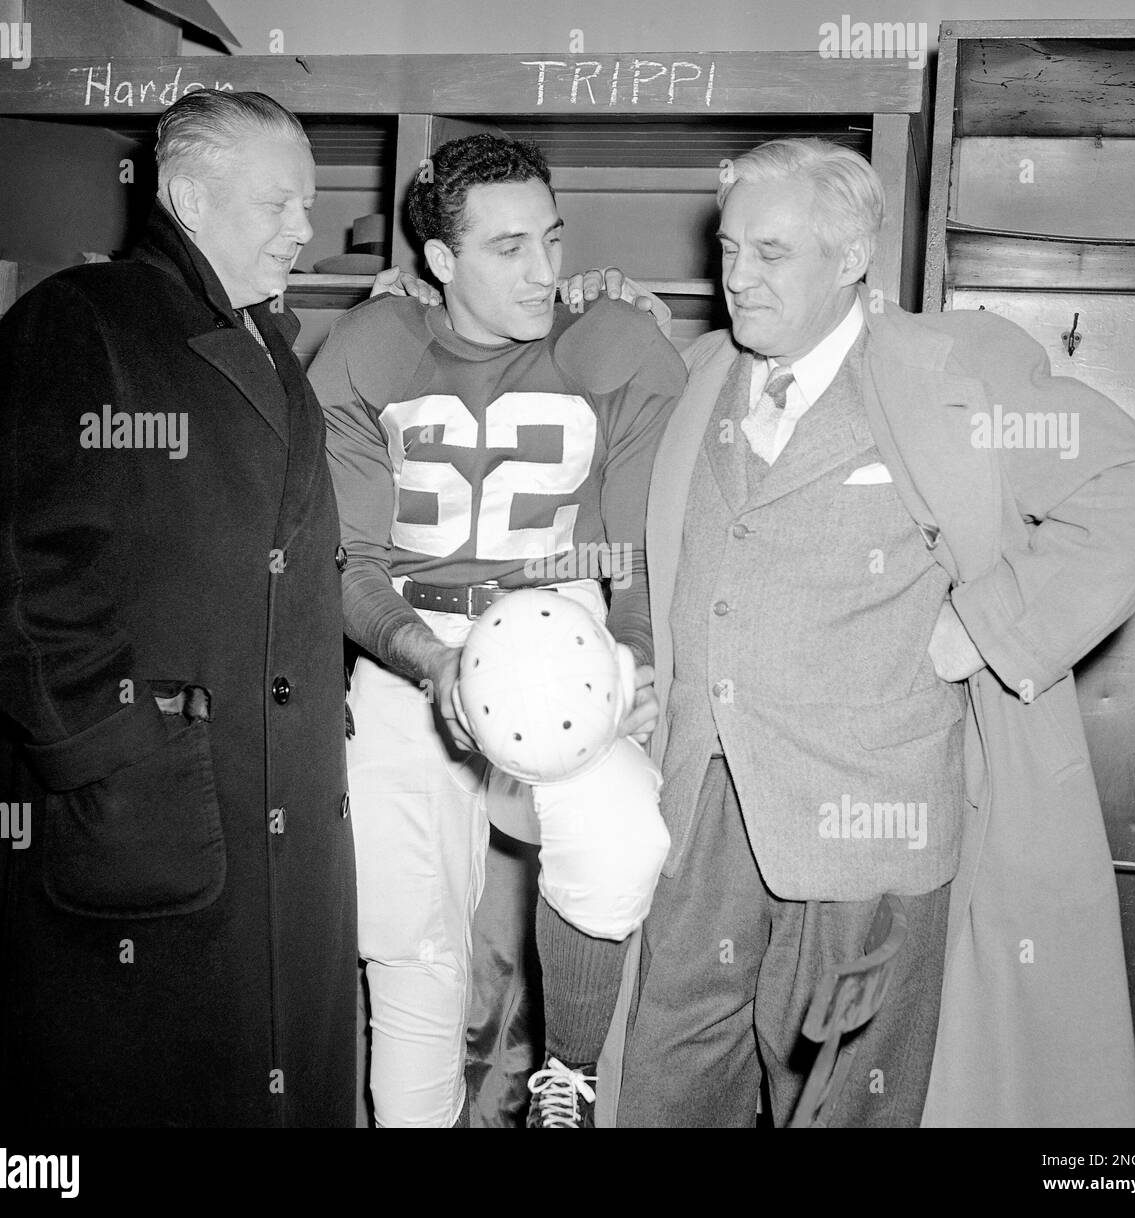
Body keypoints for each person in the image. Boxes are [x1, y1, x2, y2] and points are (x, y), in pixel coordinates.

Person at [610, 137, 1135, 1127]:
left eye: (771, 254)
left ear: (849, 262)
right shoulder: (698, 372)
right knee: (666, 1082)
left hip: (872, 826)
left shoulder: (950, 372)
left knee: (849, 1102)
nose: (736, 277)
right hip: (702, 809)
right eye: (728, 248)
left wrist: (984, 627)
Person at [0, 89, 356, 1126]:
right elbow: (10, 572)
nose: (303, 229)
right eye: (277, 205)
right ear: (185, 194)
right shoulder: (80, 324)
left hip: (262, 808)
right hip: (147, 822)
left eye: (307, 204)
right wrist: (121, 755)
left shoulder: (257, 335)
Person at [308, 132, 684, 1128]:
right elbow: (350, 557)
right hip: (412, 646)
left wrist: (635, 660)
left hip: (554, 638)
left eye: (551, 240)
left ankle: (567, 1071)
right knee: (407, 937)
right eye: (507, 247)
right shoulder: (371, 342)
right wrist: (424, 659)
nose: (543, 270)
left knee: (620, 838)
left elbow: (630, 542)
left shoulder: (612, 337)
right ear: (440, 258)